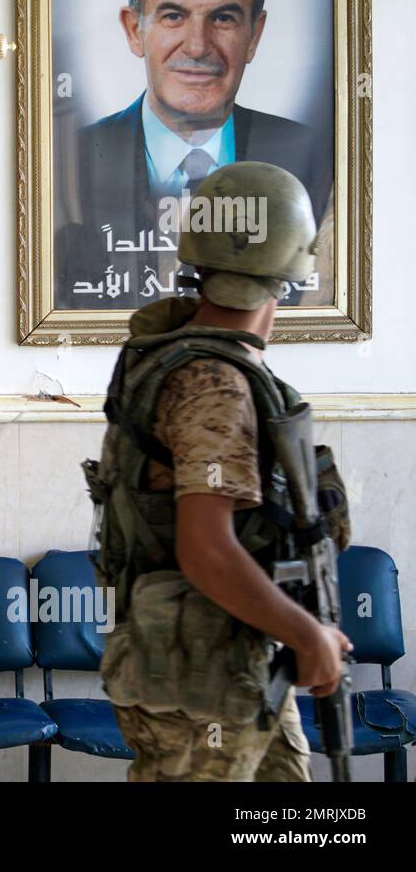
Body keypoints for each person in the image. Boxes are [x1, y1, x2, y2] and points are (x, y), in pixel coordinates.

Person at [86, 161, 351, 781]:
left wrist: (298, 630)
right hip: (198, 682)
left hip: (235, 659)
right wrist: (309, 637)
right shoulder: (216, 384)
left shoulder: (186, 361)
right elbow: (206, 551)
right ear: (289, 274)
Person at [58, 0, 332, 309]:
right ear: (134, 29)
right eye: (173, 16)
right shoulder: (71, 158)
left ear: (254, 35)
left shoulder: (312, 159)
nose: (198, 46)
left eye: (223, 18)